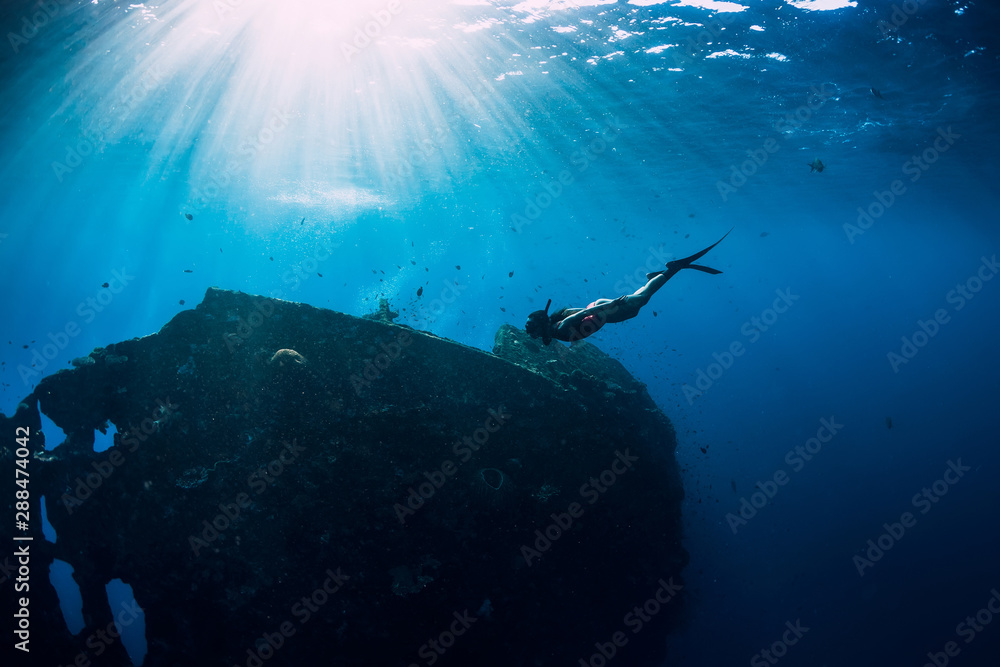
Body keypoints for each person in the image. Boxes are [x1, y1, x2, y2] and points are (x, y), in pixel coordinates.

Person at [525, 229, 731, 344]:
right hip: (601, 312)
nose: (531, 333)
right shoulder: (555, 330)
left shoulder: (561, 327)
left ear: (542, 325)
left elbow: (582, 314)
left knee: (642, 300)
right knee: (637, 305)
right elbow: (578, 312)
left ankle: (673, 268)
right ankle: (655, 276)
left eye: (532, 328)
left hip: (604, 311)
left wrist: (611, 305)